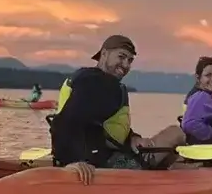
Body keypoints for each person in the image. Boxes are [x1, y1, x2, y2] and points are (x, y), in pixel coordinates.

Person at [47, 35, 186, 184]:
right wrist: (72, 162)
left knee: (172, 137)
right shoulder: (92, 82)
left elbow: (105, 122)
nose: (125, 65)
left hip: (108, 154)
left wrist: (133, 137)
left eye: (130, 60)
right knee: (176, 134)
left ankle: (161, 178)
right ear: (104, 54)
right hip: (103, 164)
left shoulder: (102, 81)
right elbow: (64, 123)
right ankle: (164, 182)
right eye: (121, 57)